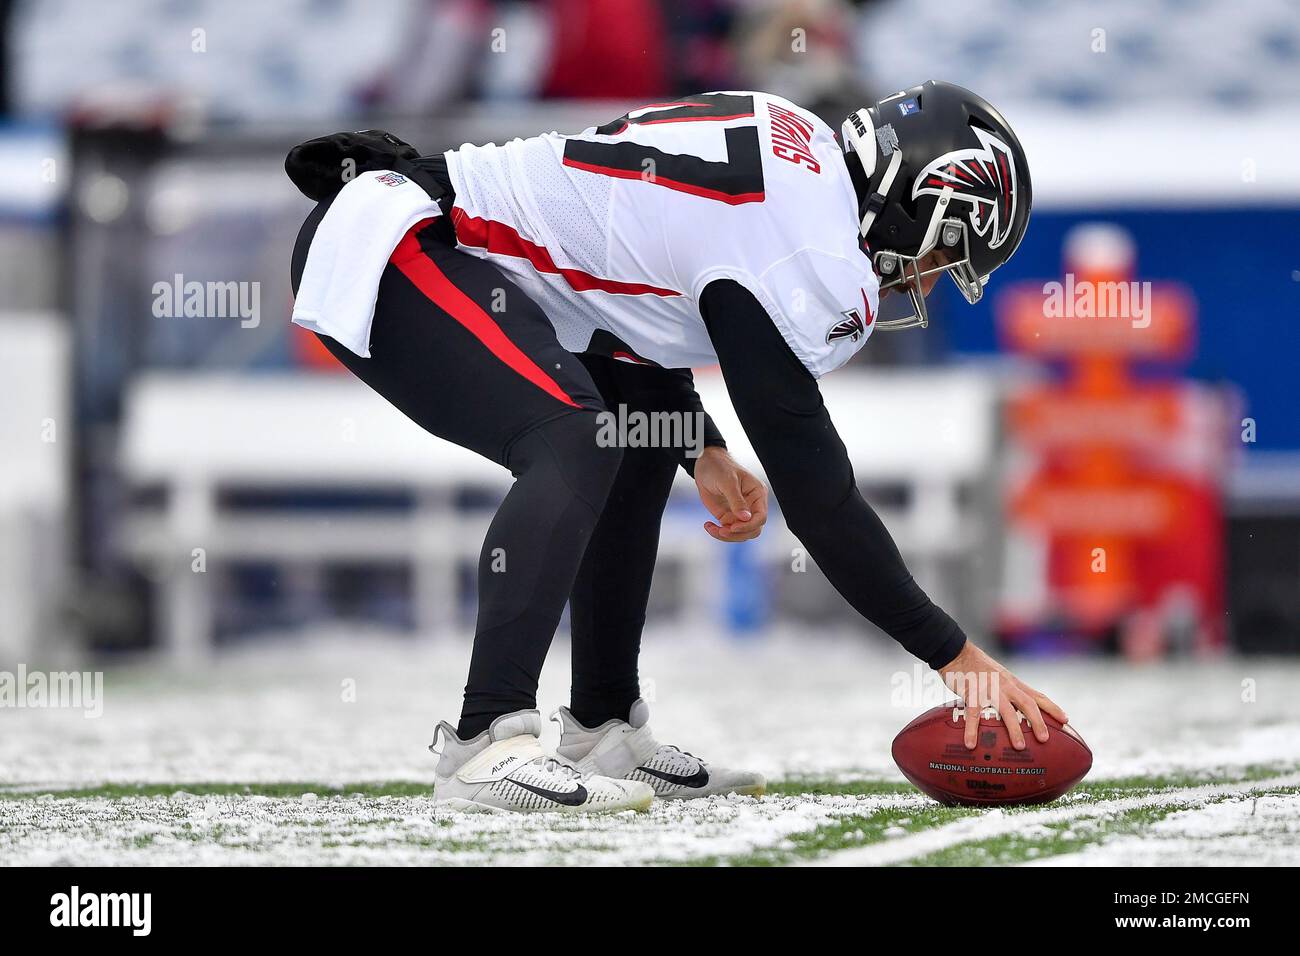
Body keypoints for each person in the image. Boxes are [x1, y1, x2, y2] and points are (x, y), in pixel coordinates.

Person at [286, 80, 1067, 814]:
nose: (924, 284)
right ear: (914, 207)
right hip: (403, 241)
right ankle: (485, 741)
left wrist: (699, 441)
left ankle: (602, 728)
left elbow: (633, 266)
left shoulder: (799, 159)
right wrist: (957, 656)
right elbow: (821, 501)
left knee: (631, 436)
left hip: (464, 247)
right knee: (576, 438)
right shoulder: (807, 247)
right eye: (939, 256)